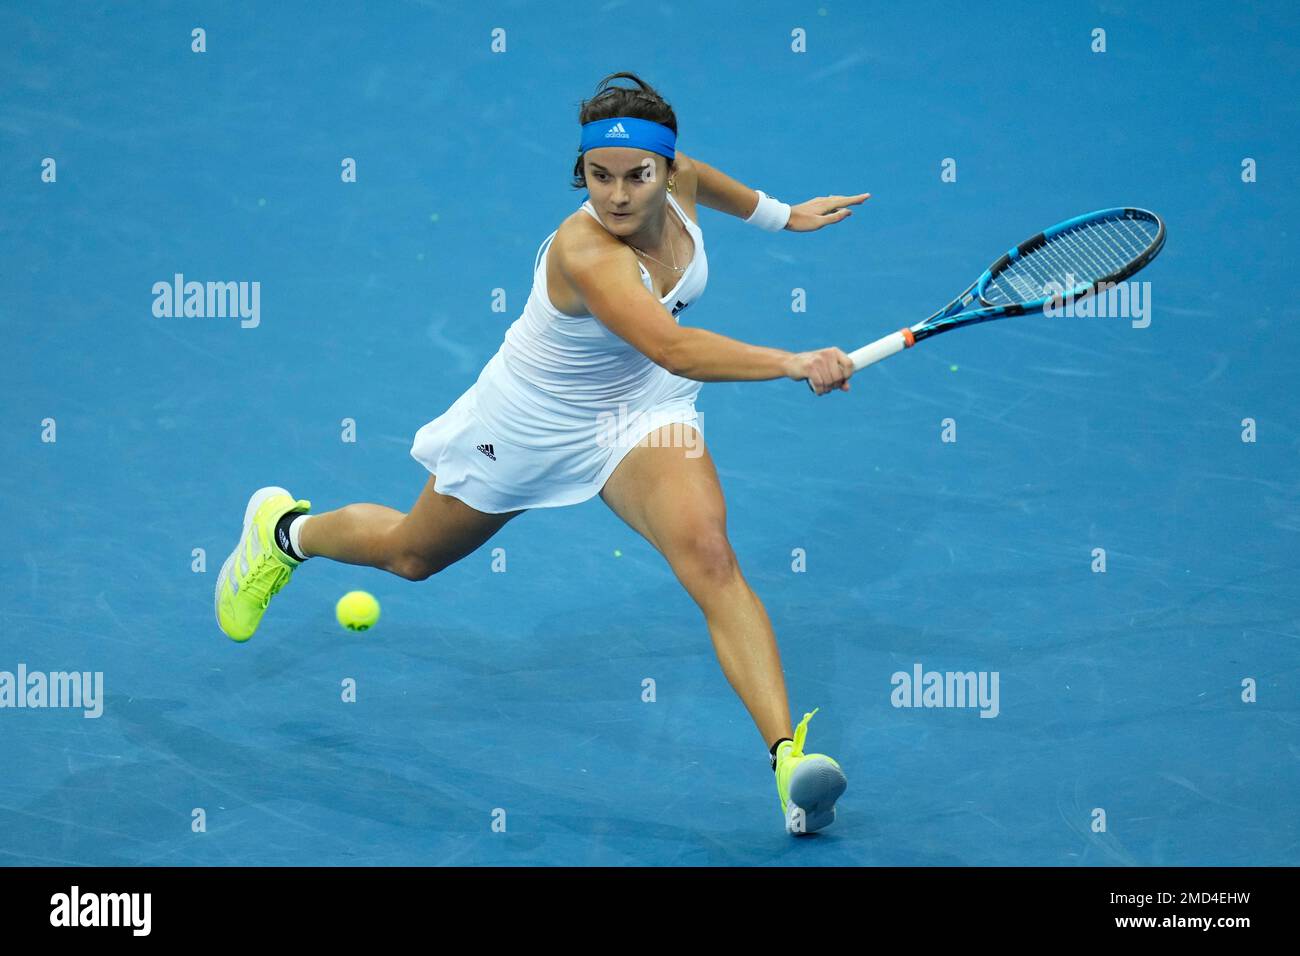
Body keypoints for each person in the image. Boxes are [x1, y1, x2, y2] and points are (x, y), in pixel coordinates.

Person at [214, 71, 868, 834]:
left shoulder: (680, 180)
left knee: (710, 557)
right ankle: (284, 533)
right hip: (528, 423)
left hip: (641, 411)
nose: (617, 195)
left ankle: (788, 765)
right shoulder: (585, 251)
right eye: (599, 176)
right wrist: (793, 362)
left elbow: (709, 191)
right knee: (411, 557)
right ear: (582, 171)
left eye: (637, 176)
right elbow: (672, 344)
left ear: (666, 168)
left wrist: (784, 216)